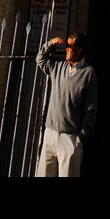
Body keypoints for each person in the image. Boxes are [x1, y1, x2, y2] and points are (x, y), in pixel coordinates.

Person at [35, 31, 97, 177]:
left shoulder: (88, 73)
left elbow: (91, 107)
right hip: (50, 133)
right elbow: (40, 60)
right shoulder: (59, 68)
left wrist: (80, 137)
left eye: (70, 45)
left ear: (80, 49)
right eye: (66, 45)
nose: (66, 48)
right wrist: (50, 44)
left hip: (70, 138)